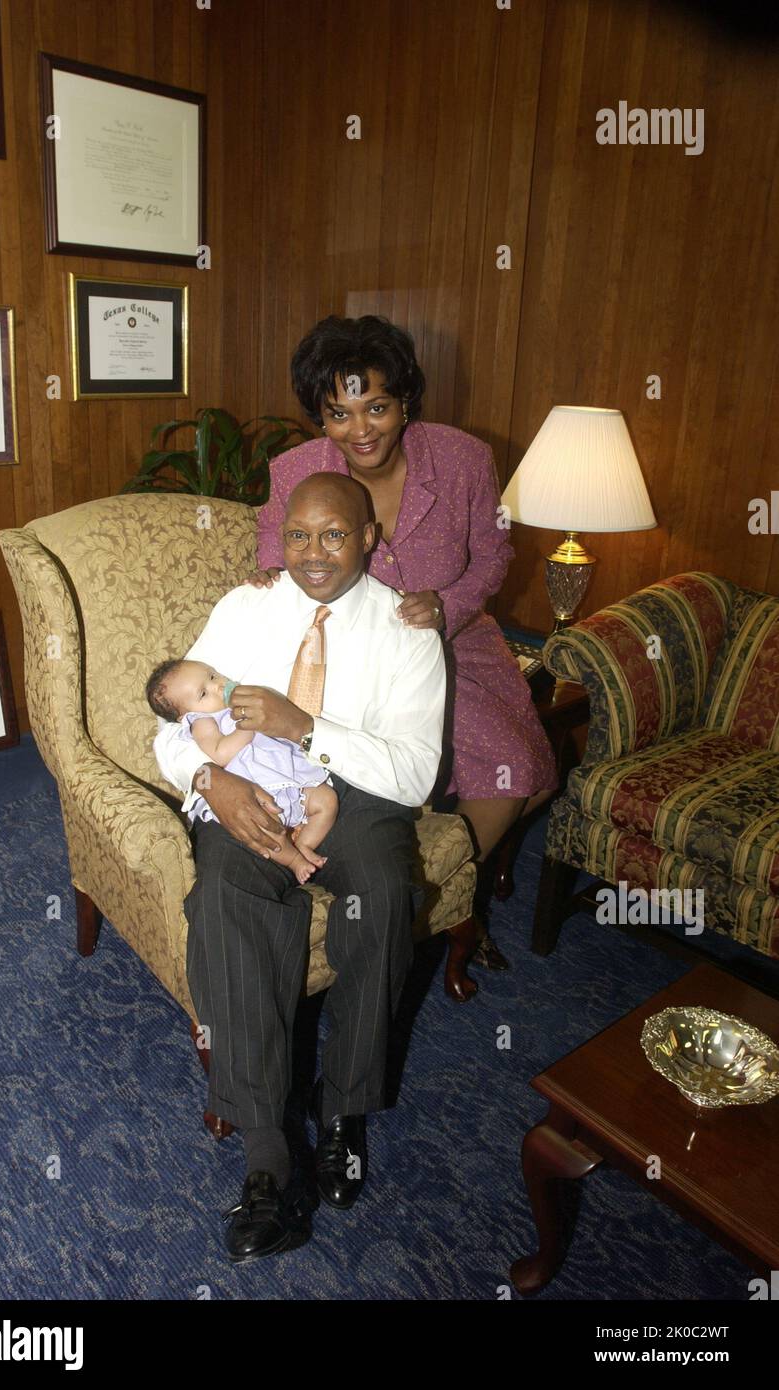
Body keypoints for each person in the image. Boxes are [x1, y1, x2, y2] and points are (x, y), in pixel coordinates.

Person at [154, 472, 445, 1263]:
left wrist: (306, 729)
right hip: (244, 782)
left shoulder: (409, 629)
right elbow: (176, 725)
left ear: (370, 537)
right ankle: (266, 1154)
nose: (313, 554)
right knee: (222, 896)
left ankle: (344, 1111)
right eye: (299, 535)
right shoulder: (243, 608)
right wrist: (210, 777)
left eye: (335, 535)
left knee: (384, 895)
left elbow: (415, 774)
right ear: (279, 536)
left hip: (356, 795)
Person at [250, 315, 558, 970]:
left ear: (404, 402)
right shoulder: (293, 473)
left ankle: (433, 898)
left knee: (512, 764)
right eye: (338, 413)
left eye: (377, 407)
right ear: (319, 419)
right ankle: (402, 902)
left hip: (452, 643)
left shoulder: (464, 459)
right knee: (359, 763)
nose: (360, 430)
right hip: (347, 651)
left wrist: (447, 605)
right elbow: (275, 566)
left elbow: (492, 558)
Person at [145, 656, 338, 883]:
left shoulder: (240, 700)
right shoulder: (202, 722)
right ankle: (294, 860)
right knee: (265, 832)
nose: (217, 685)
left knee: (327, 800)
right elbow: (219, 752)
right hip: (256, 791)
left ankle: (304, 844)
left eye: (212, 675)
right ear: (185, 715)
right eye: (203, 693)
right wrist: (246, 727)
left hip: (286, 776)